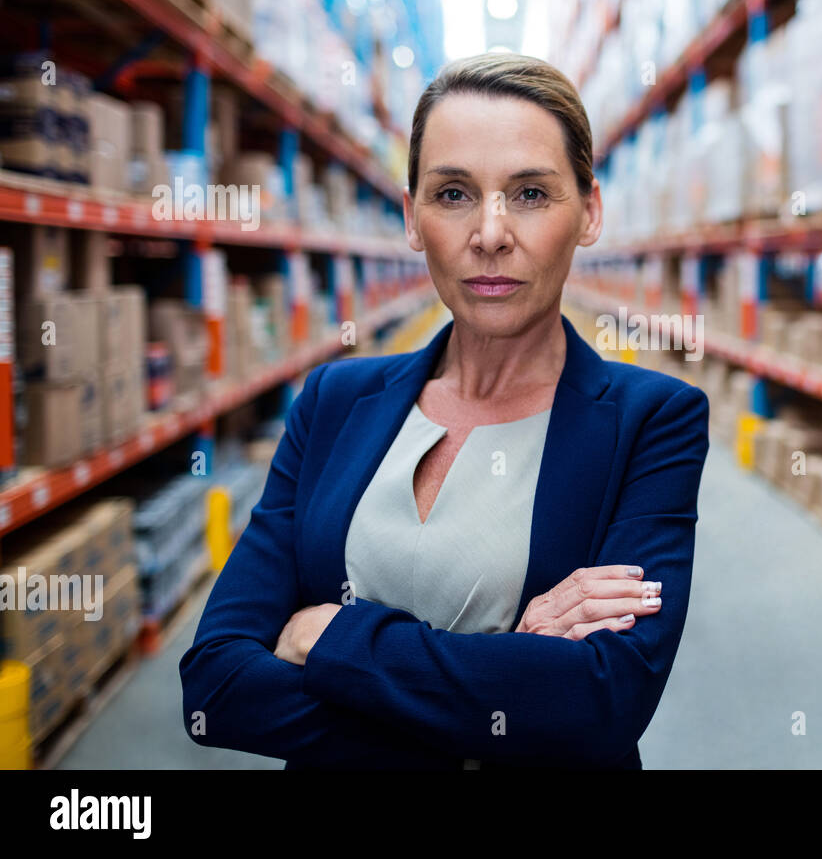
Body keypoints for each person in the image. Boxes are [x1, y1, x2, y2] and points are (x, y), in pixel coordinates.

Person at [179, 53, 710, 769]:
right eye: (454, 194)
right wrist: (501, 681)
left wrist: (329, 637)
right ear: (411, 217)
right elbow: (216, 688)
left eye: (529, 193)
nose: (489, 233)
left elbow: (600, 704)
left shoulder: (653, 422)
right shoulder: (333, 403)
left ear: (588, 212)